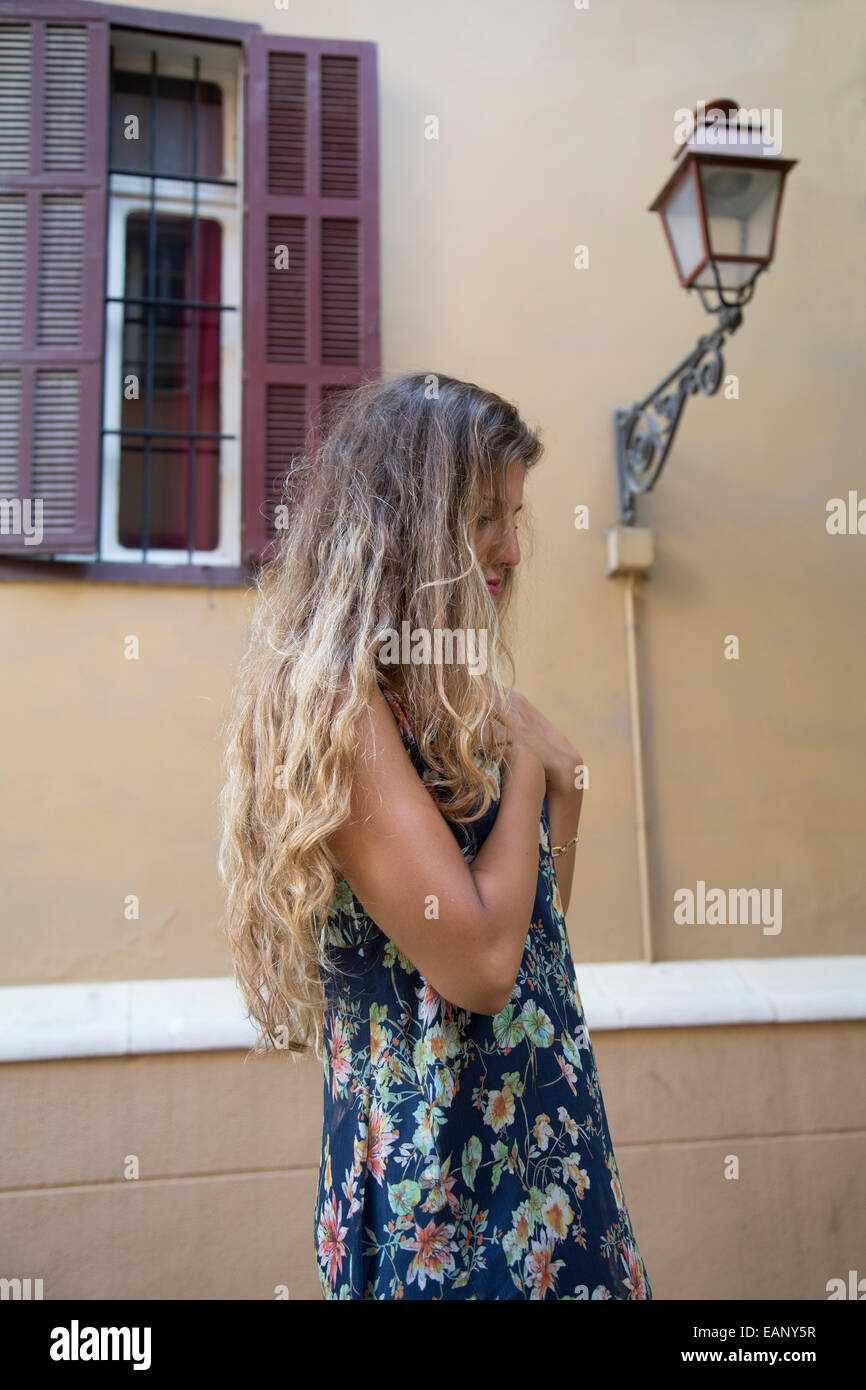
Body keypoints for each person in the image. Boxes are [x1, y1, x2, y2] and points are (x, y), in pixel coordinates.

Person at [218, 370, 652, 1300]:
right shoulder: (344, 710)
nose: (511, 550)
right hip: (445, 1201)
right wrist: (534, 767)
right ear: (410, 522)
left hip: (539, 1158)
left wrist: (560, 799)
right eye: (484, 517)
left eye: (515, 519)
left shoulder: (445, 704)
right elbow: (481, 966)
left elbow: (532, 939)